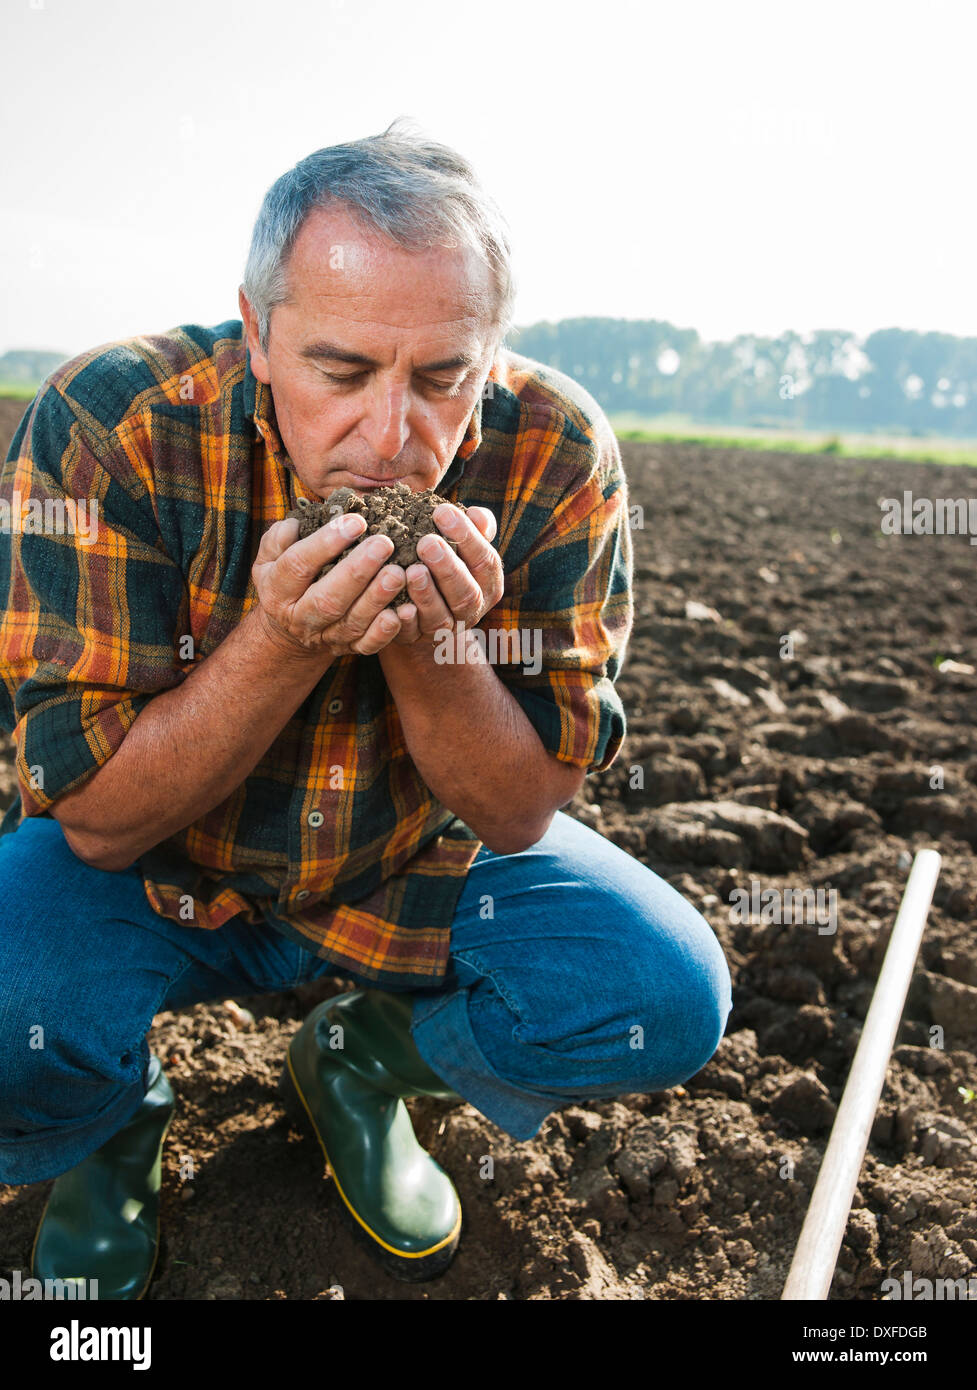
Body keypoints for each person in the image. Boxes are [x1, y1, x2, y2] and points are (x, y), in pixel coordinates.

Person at [0, 120, 732, 1298]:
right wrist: (282, 639)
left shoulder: (554, 453)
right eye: (340, 370)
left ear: (490, 355)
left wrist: (438, 645)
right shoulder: (114, 422)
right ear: (258, 333)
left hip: (404, 857)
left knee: (657, 990)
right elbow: (94, 821)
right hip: (158, 861)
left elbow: (515, 808)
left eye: (442, 377)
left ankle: (361, 1060)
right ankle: (106, 1117)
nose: (393, 436)